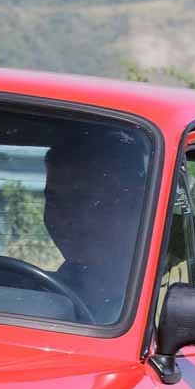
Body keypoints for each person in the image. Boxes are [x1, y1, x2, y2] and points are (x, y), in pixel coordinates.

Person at [41, 125, 149, 322]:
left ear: (135, 201)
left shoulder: (180, 292)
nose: (64, 218)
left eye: (82, 200)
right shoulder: (42, 293)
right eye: (55, 201)